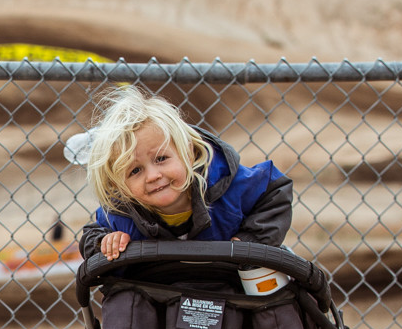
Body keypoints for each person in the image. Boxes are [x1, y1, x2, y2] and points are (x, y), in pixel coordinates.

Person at [67, 84, 293, 259]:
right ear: (119, 185)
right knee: (124, 300)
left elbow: (275, 189)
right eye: (135, 171)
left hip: (230, 285)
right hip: (160, 295)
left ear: (188, 152)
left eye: (161, 159)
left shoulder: (228, 188)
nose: (153, 175)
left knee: (270, 291)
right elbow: (91, 237)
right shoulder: (121, 216)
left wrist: (248, 241)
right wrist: (107, 242)